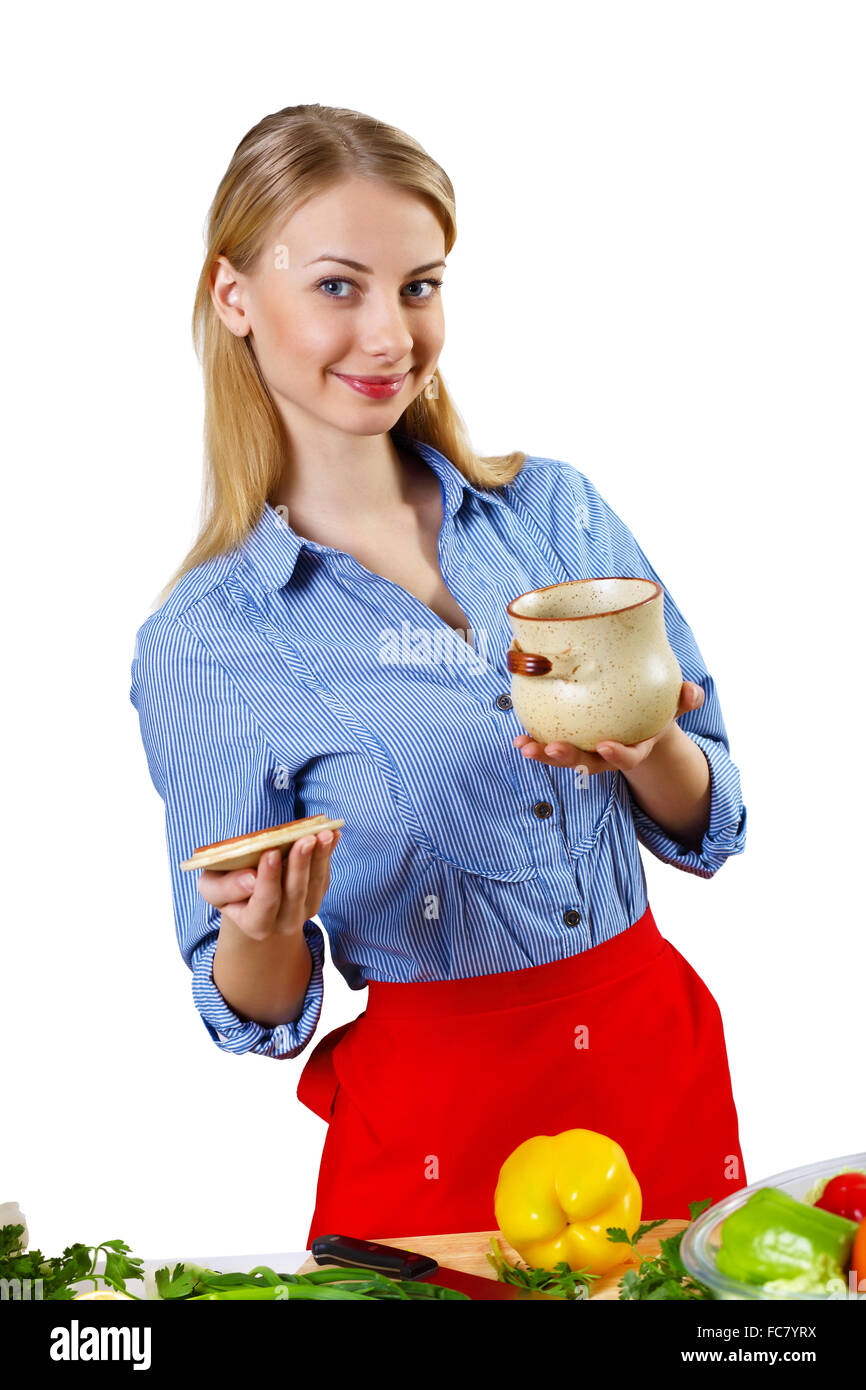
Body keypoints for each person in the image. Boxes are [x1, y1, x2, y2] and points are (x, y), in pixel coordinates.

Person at [130, 102, 748, 1248]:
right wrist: (265, 927)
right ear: (232, 297)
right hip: (441, 1138)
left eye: (419, 286)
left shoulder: (555, 512)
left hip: (655, 1069)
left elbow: (709, 818)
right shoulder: (205, 642)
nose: (388, 336)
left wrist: (648, 747)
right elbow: (251, 1007)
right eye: (337, 286)